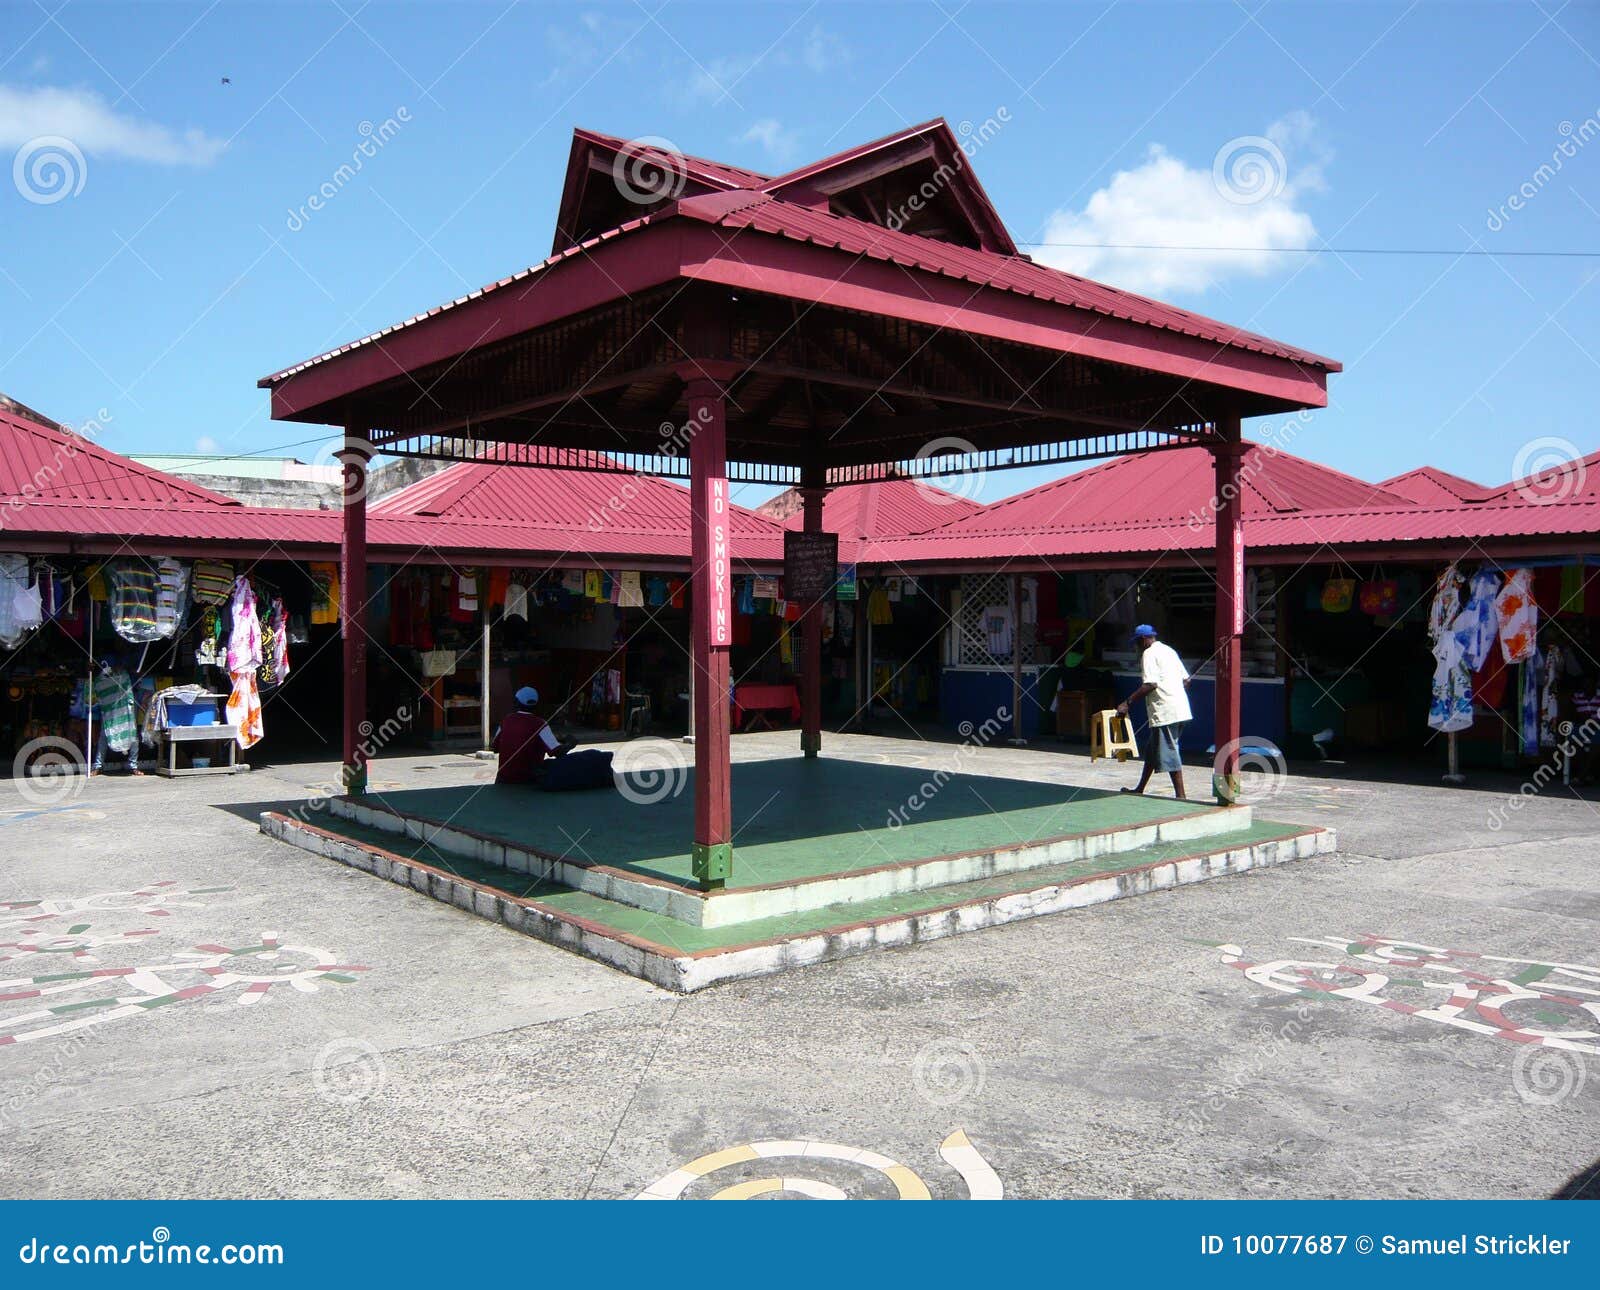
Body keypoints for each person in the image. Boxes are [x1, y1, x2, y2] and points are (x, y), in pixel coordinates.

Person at [1116, 624, 1192, 799]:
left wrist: (1128, 702)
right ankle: (1140, 787)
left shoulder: (1149, 654)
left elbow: (1150, 684)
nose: (1136, 647)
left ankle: (1181, 795)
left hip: (1165, 712)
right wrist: (1174, 692)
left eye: (1136, 643)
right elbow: (1187, 680)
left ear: (1142, 640)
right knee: (1152, 750)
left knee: (1169, 751)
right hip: (1181, 709)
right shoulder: (1169, 650)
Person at [493, 687, 570, 785]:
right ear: (536, 705)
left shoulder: (506, 720)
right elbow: (557, 752)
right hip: (529, 781)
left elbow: (495, 747)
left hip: (503, 780)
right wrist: (570, 744)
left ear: (516, 702)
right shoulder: (540, 724)